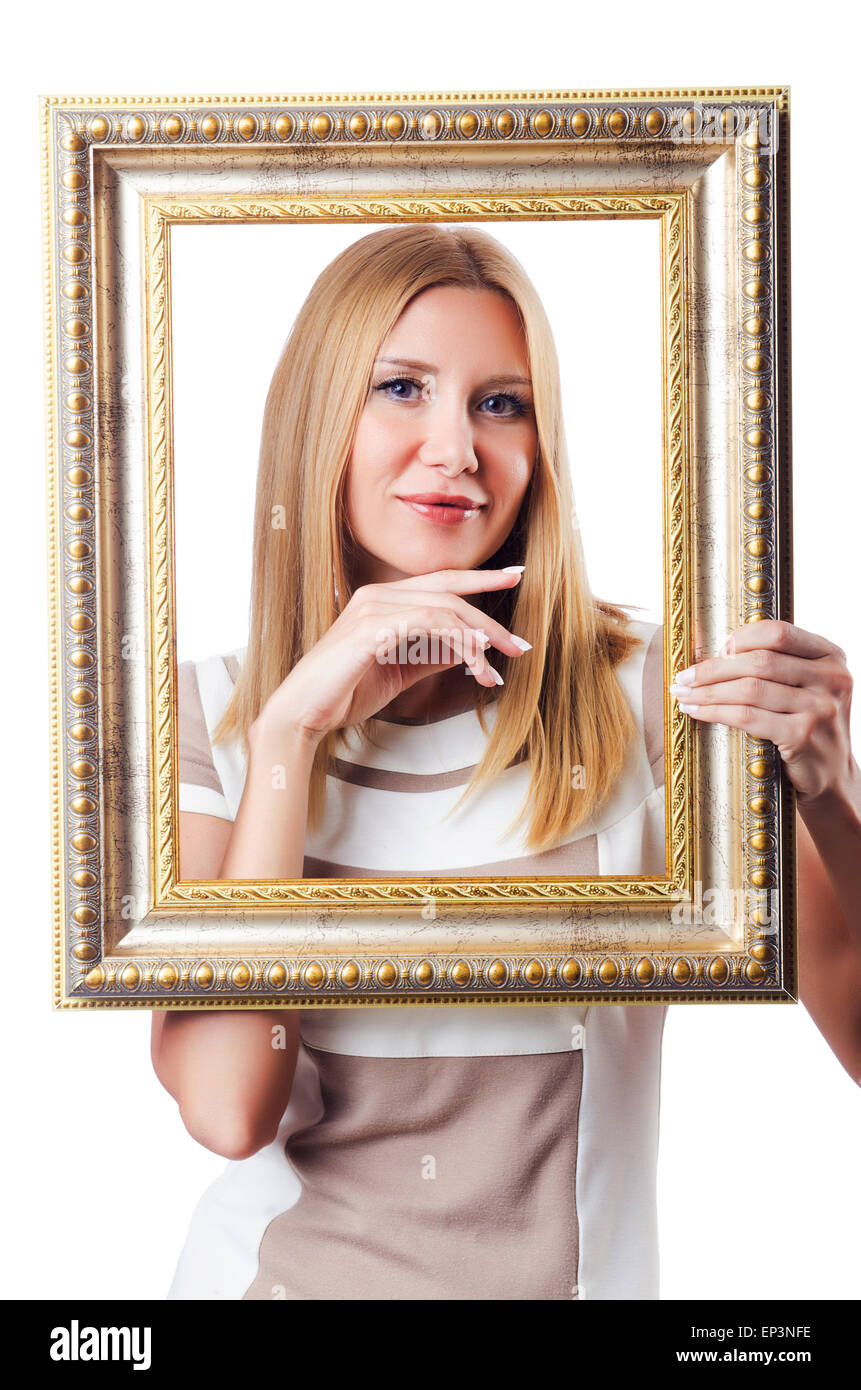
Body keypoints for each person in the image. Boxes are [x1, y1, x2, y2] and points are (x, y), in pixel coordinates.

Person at [153, 224, 861, 1301]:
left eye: (501, 404)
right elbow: (226, 1105)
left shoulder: (658, 695)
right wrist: (292, 735)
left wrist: (833, 791)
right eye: (401, 388)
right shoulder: (210, 712)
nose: (454, 448)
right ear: (317, 416)